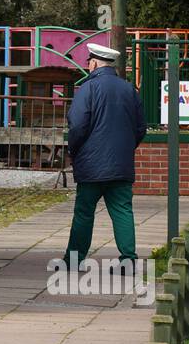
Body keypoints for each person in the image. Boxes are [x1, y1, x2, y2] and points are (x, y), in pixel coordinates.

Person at [62, 42, 146, 267]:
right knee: (122, 212)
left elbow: (77, 125)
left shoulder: (87, 89)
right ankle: (128, 260)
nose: (88, 65)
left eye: (89, 62)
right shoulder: (129, 90)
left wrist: (74, 149)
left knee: (84, 213)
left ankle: (73, 260)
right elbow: (140, 129)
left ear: (95, 63)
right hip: (121, 166)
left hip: (91, 167)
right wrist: (125, 149)